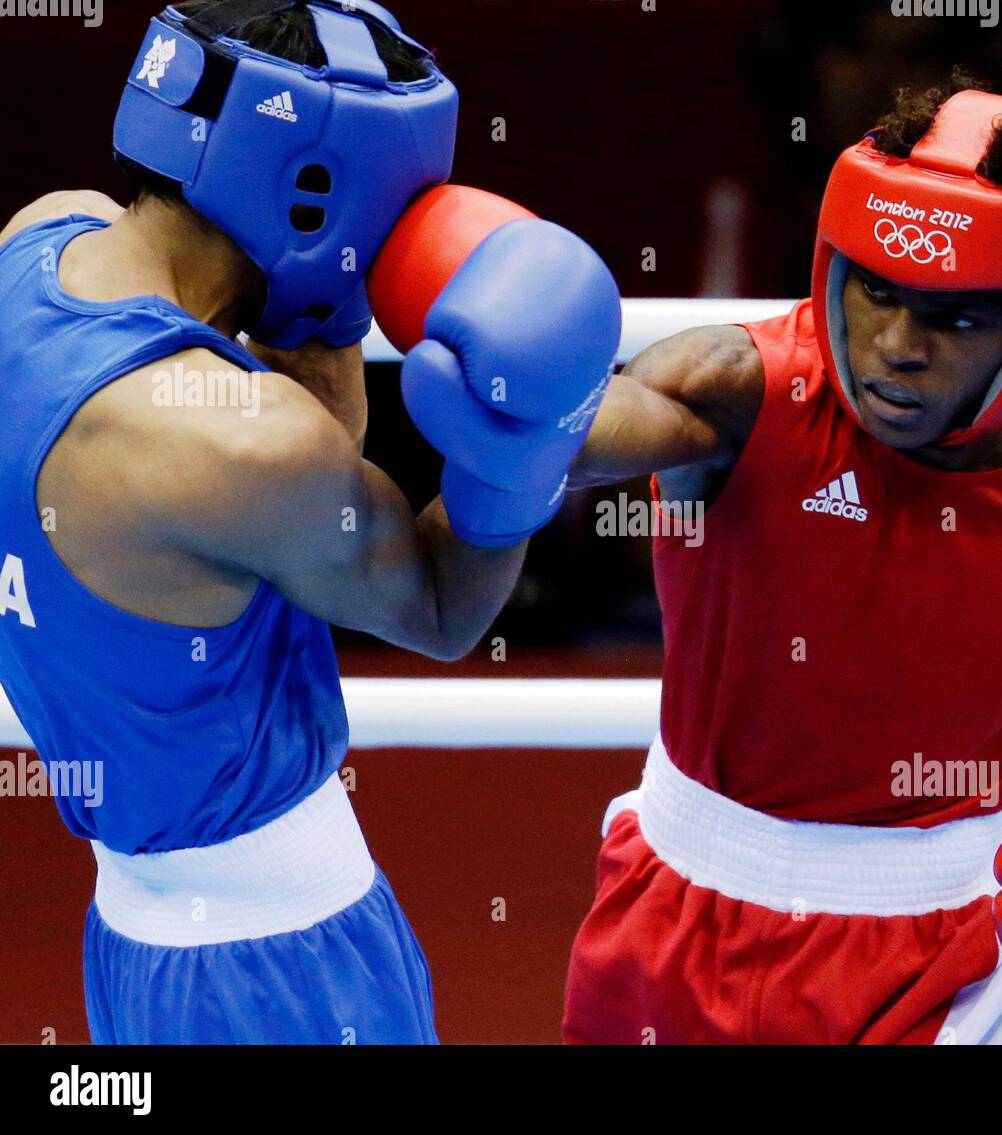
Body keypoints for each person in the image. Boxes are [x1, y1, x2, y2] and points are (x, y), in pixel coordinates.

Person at [561, 66, 1002, 1044]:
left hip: (952, 960)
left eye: (954, 316)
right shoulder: (738, 390)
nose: (894, 345)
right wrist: (514, 409)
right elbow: (575, 440)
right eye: (874, 292)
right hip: (679, 920)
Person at [0, 0, 619, 1043]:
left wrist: (314, 316)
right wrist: (519, 457)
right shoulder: (240, 443)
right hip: (285, 967)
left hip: (130, 940)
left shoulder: (36, 241)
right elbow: (437, 605)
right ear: (316, 184)